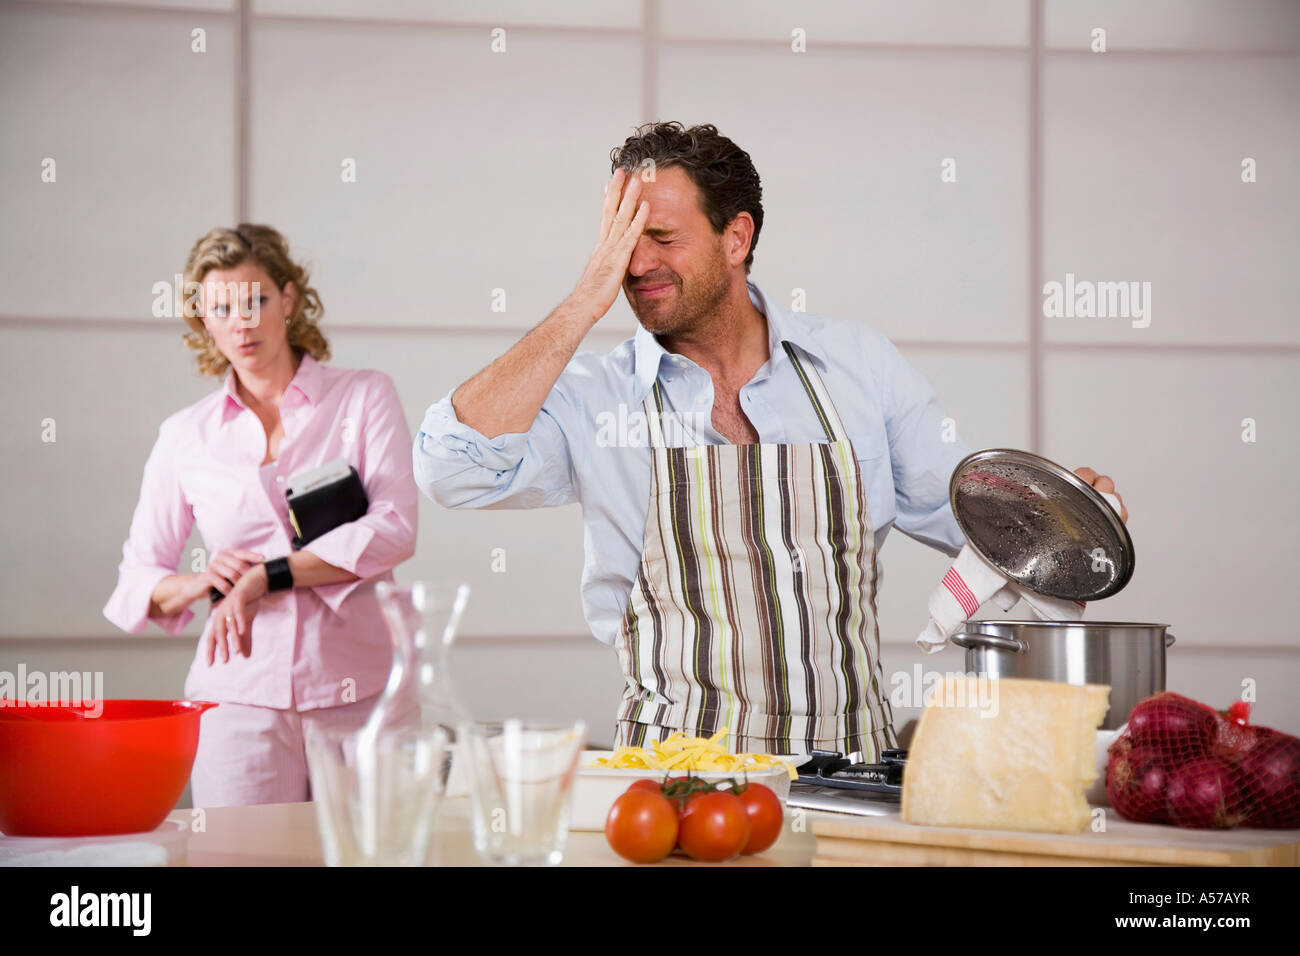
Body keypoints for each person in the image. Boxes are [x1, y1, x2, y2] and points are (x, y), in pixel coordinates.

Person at [413, 122, 1127, 758]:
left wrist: (1064, 513)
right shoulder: (597, 396)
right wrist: (583, 298)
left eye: (659, 237)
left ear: (737, 237)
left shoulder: (858, 366)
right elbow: (449, 467)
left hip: (851, 777)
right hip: (675, 789)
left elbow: (979, 521)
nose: (634, 265)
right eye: (621, 243)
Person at [104, 224, 419, 806]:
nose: (242, 321)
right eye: (221, 307)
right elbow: (139, 579)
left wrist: (268, 576)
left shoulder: (363, 396)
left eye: (257, 301)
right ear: (204, 319)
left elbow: (394, 529)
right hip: (238, 700)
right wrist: (205, 581)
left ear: (290, 299)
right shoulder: (185, 436)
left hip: (360, 694)